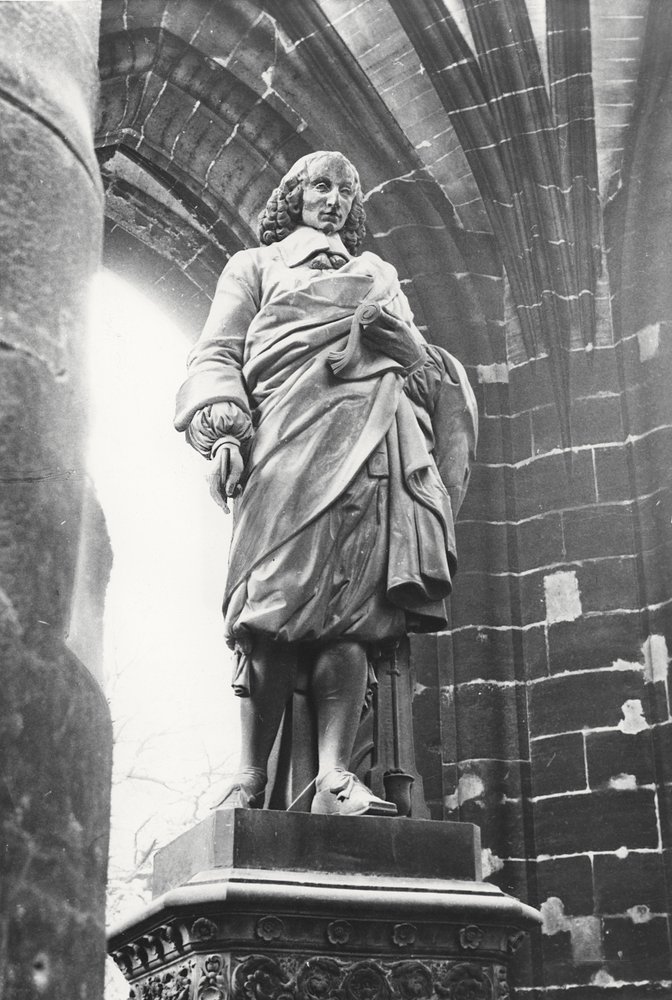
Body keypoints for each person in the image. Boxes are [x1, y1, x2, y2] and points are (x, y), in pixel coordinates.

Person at [174, 151, 476, 816]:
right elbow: (218, 353)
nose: (333, 198)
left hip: (368, 446)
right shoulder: (256, 267)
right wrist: (223, 430)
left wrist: (406, 346)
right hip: (283, 442)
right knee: (269, 606)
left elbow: (422, 375)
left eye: (346, 188)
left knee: (349, 612)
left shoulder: (377, 275)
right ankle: (250, 776)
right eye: (320, 185)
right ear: (294, 194)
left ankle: (336, 777)